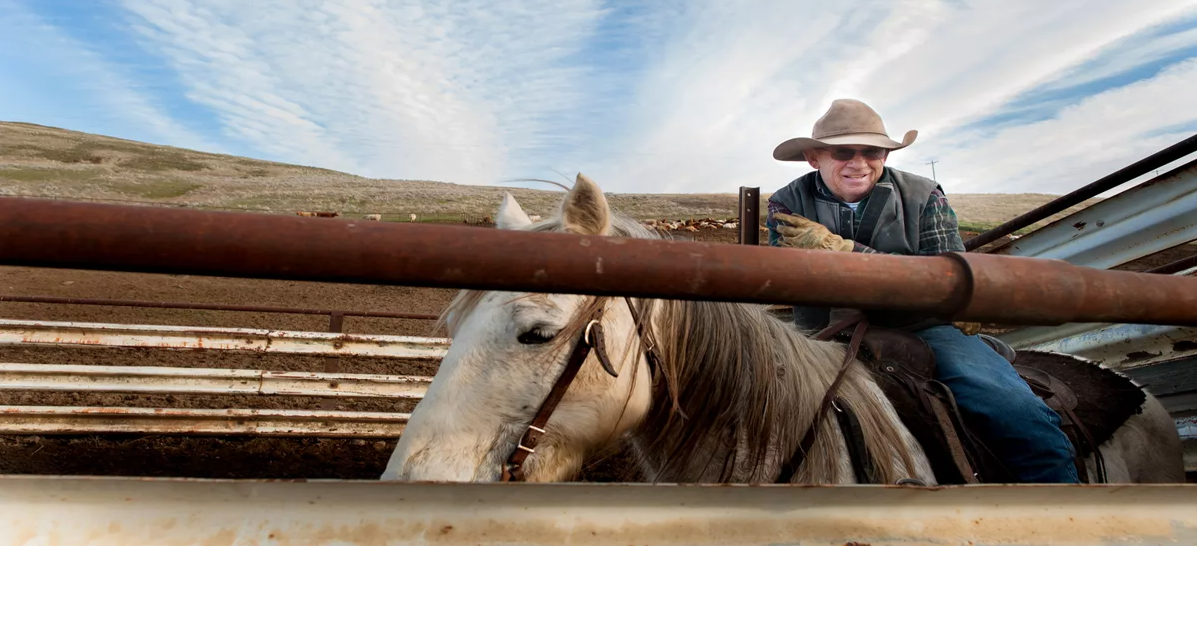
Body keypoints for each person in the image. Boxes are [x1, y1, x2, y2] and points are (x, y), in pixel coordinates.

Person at [766, 98, 1079, 484]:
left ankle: (1058, 507)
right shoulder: (787, 202)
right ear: (814, 158)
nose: (859, 163)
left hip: (924, 325)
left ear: (885, 155)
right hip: (820, 330)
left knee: (1019, 415)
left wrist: (846, 254)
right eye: (843, 152)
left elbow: (943, 277)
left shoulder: (924, 194)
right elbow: (789, 278)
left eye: (871, 151)